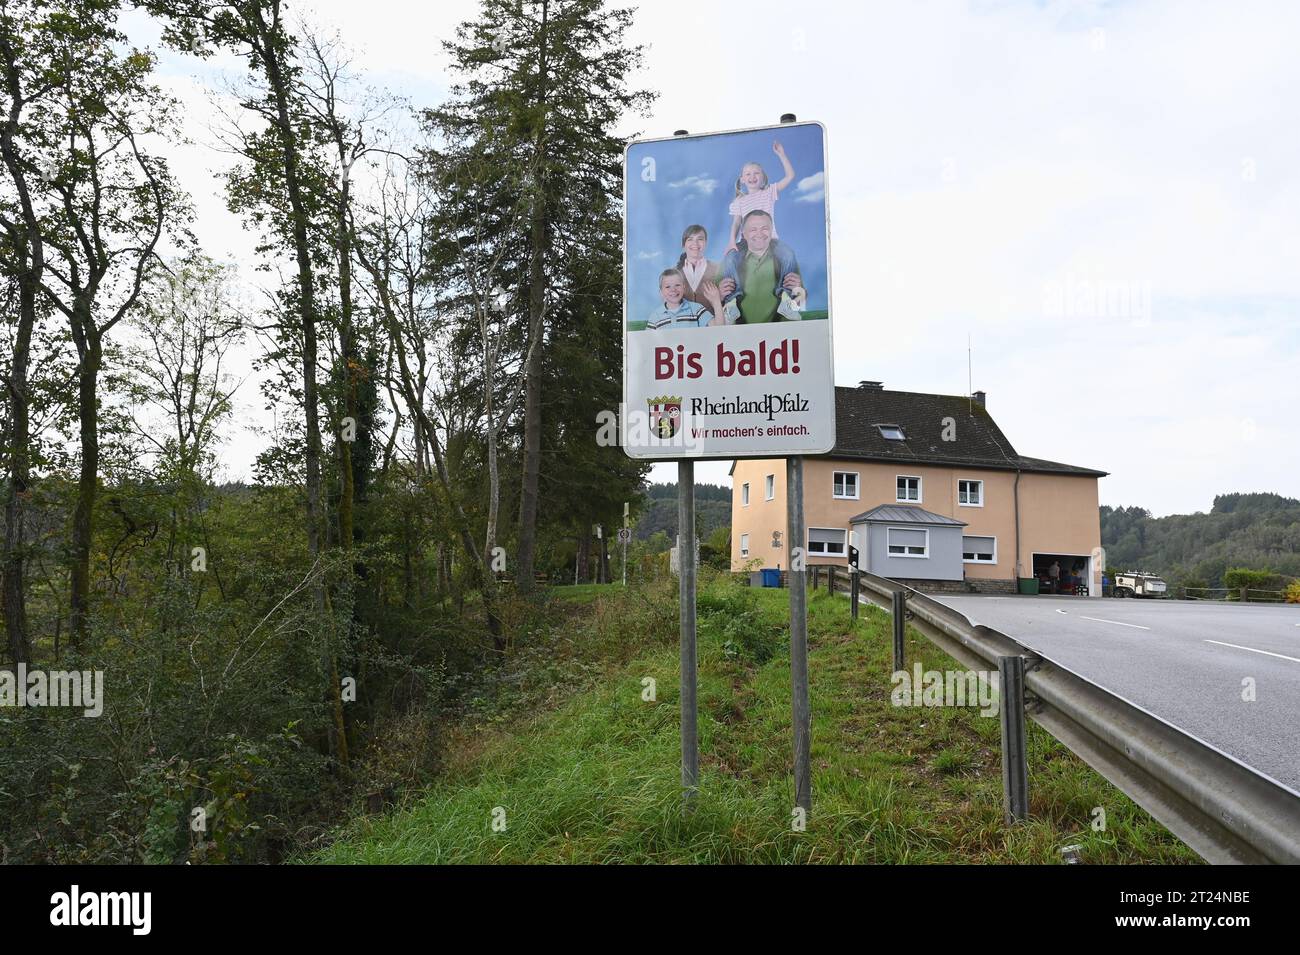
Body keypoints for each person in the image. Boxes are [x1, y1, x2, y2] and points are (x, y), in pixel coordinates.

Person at [717, 210, 804, 324]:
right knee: (731, 255)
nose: (759, 233)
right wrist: (720, 296)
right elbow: (712, 301)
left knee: (787, 252)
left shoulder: (785, 254)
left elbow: (802, 297)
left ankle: (786, 302)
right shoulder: (730, 258)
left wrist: (797, 290)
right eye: (753, 229)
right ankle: (731, 305)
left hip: (777, 333)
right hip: (739, 335)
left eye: (765, 228)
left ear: (771, 230)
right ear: (743, 234)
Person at [725, 140, 796, 253]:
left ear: (763, 177)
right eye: (748, 174)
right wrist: (732, 241)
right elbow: (737, 222)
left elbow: (790, 176)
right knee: (730, 259)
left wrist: (781, 155)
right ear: (742, 179)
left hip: (769, 241)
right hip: (747, 243)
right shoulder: (739, 201)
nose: (752, 176)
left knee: (785, 256)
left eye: (756, 173)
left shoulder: (768, 192)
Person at [645, 268, 725, 330]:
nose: (673, 289)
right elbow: (649, 343)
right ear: (661, 292)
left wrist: (716, 301)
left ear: (684, 287)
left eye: (677, 285)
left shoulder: (696, 309)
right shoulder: (655, 316)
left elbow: (719, 329)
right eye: (667, 286)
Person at [676, 224, 722, 310]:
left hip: (712, 322)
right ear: (683, 245)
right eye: (690, 239)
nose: (695, 243)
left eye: (700, 239)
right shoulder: (674, 272)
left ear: (706, 243)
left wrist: (721, 297)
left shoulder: (718, 269)